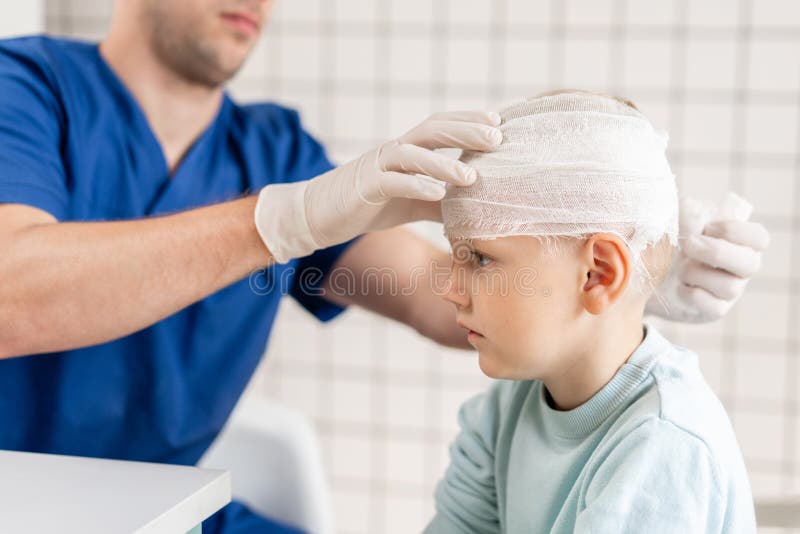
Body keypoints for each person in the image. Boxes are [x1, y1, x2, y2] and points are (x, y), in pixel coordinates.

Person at [0, 1, 767, 532]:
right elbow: (12, 292)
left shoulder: (272, 152)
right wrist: (282, 220)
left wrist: (619, 281)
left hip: (176, 512)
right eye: (467, 256)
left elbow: (447, 300)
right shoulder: (26, 90)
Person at [425, 91, 755, 533]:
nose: (449, 289)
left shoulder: (663, 446)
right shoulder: (504, 410)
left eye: (481, 259)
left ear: (598, 274)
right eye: (456, 254)